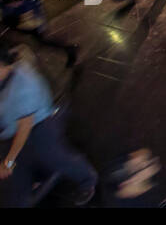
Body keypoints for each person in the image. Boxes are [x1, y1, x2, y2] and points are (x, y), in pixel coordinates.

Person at [0, 44, 97, 207]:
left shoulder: (24, 84)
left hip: (40, 125)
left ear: (6, 65)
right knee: (17, 178)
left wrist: (8, 162)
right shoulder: (5, 76)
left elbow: (24, 128)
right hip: (12, 130)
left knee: (55, 156)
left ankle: (87, 180)